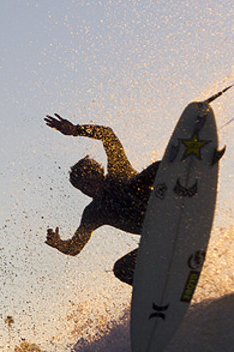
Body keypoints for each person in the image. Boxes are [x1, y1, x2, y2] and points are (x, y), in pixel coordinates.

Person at [44, 113, 160, 285]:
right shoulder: (94, 213)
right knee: (121, 269)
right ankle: (157, 289)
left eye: (89, 182)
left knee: (149, 172)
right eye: (82, 188)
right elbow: (75, 247)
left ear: (99, 174)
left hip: (168, 207)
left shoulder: (118, 171)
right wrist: (59, 244)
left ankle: (188, 176)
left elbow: (108, 135)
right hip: (156, 237)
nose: (88, 189)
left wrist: (76, 130)